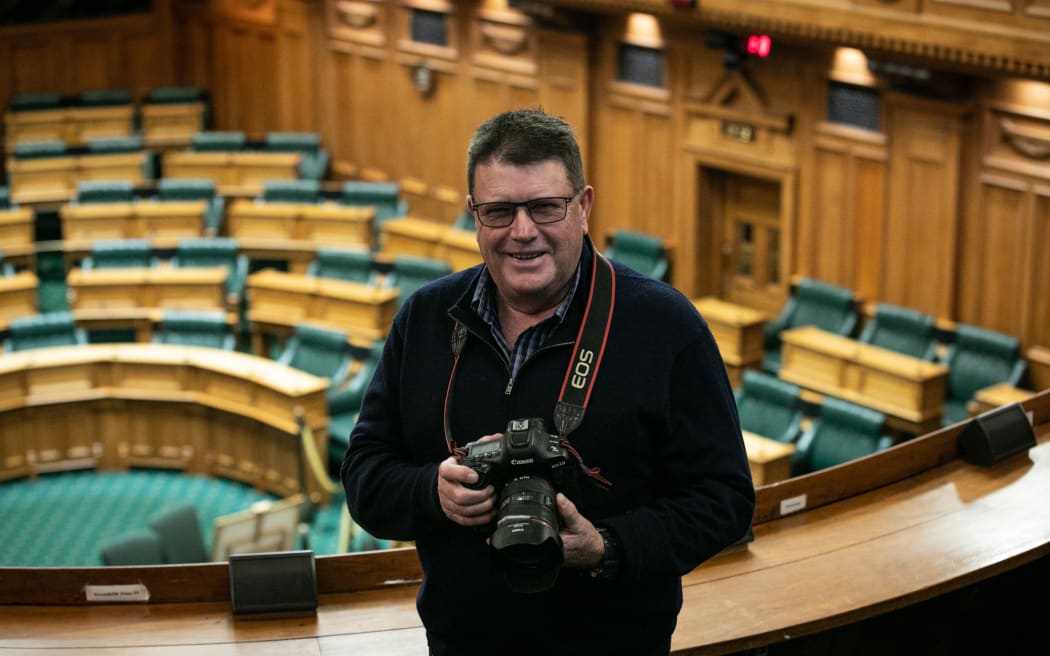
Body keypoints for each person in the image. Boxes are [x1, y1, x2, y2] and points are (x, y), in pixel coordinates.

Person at [341, 108, 755, 655]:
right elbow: (364, 475)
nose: (522, 231)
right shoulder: (424, 319)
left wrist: (606, 546)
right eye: (499, 211)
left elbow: (724, 499)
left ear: (583, 206)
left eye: (544, 207)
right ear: (473, 214)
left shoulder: (666, 327)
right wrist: (432, 493)